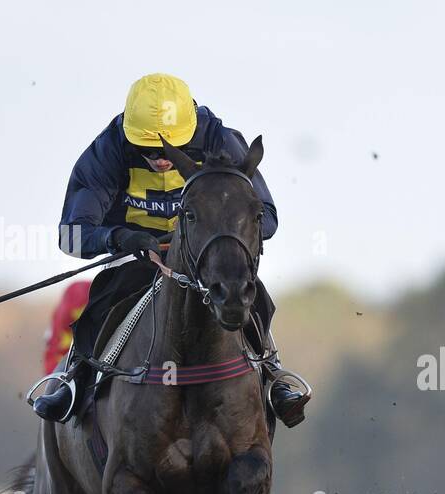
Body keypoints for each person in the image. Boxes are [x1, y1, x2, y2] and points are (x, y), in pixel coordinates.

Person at [33, 73, 310, 427]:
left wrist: (211, 237)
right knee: (102, 299)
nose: (160, 158)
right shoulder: (107, 151)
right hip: (138, 261)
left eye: (167, 148)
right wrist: (119, 238)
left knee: (252, 295)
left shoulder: (221, 140)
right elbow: (71, 236)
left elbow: (266, 218)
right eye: (148, 150)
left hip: (204, 262)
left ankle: (272, 375)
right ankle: (75, 380)